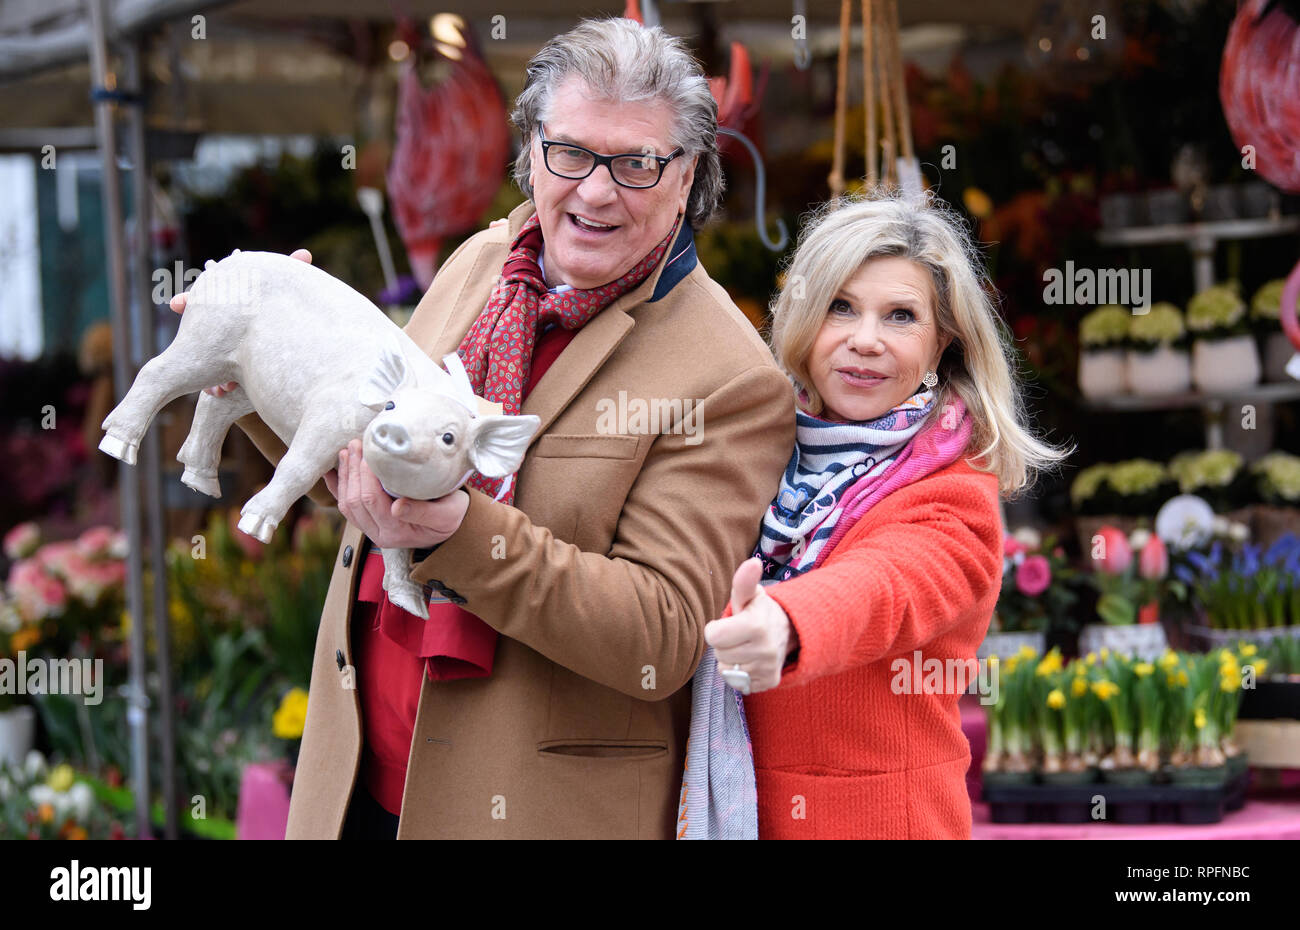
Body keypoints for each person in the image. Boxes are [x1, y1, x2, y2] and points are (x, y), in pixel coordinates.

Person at [179, 18, 794, 839]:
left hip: (529, 811)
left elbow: (663, 634)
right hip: (359, 774)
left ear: (687, 178)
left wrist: (464, 532)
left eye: (637, 163)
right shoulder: (481, 264)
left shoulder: (729, 374)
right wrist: (259, 366)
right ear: (532, 152)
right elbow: (369, 465)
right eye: (570, 151)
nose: (597, 190)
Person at [699, 191, 1073, 839]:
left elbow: (883, 588)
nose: (864, 341)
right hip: (738, 808)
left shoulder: (956, 492)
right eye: (841, 307)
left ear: (942, 345)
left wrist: (785, 621)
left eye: (901, 316)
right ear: (805, 320)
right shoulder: (758, 451)